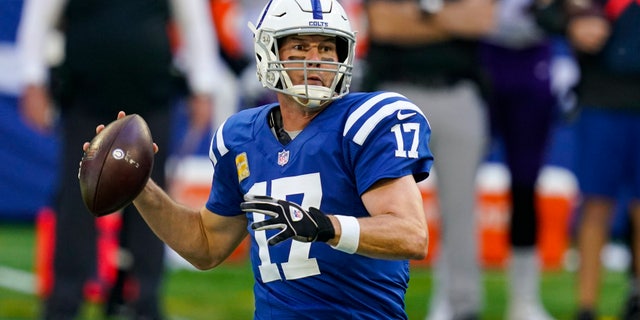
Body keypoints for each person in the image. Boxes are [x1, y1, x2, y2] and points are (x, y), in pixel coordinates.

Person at [85, 0, 434, 318]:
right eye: (300, 47)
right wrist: (140, 186)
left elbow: (411, 234)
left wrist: (325, 226)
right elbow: (206, 246)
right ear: (269, 50)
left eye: (327, 48)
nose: (316, 59)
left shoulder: (364, 124)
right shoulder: (240, 137)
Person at [17, 0, 221, 318]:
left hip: (150, 97)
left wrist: (203, 85)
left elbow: (193, 19)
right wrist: (32, 80)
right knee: (78, 203)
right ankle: (64, 300)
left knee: (152, 201)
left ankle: (145, 299)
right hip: (85, 99)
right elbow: (39, 16)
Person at [361, 0, 494, 319]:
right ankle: (367, 300)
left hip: (457, 92)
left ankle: (462, 307)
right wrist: (445, 17)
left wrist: (419, 13)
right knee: (376, 204)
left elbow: (480, 19)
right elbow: (383, 23)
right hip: (395, 95)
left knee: (460, 209)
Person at [478, 0, 568, 318]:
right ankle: (453, 294)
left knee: (526, 184)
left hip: (532, 57)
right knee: (457, 184)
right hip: (480, 53)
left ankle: (524, 299)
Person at [555, 0, 640, 318]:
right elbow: (549, 13)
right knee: (595, 204)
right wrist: (574, 20)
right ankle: (586, 306)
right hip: (601, 100)